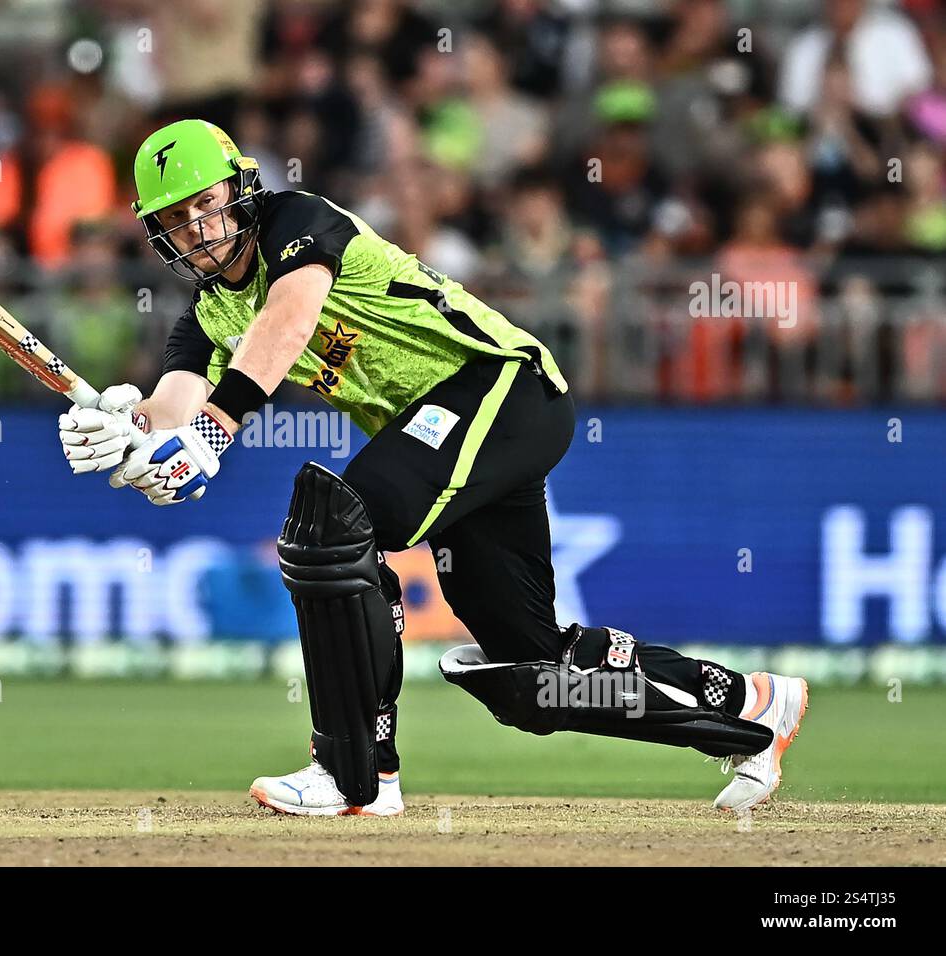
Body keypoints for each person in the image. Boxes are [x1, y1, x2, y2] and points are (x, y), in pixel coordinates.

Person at [57, 119, 808, 816]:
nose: (198, 230)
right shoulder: (206, 315)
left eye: (207, 205)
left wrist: (214, 432)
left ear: (242, 187)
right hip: (452, 434)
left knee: (332, 525)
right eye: (176, 220)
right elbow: (176, 406)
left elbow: (288, 321)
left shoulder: (298, 223)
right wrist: (125, 426)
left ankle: (358, 774)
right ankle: (748, 708)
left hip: (501, 387)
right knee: (532, 678)